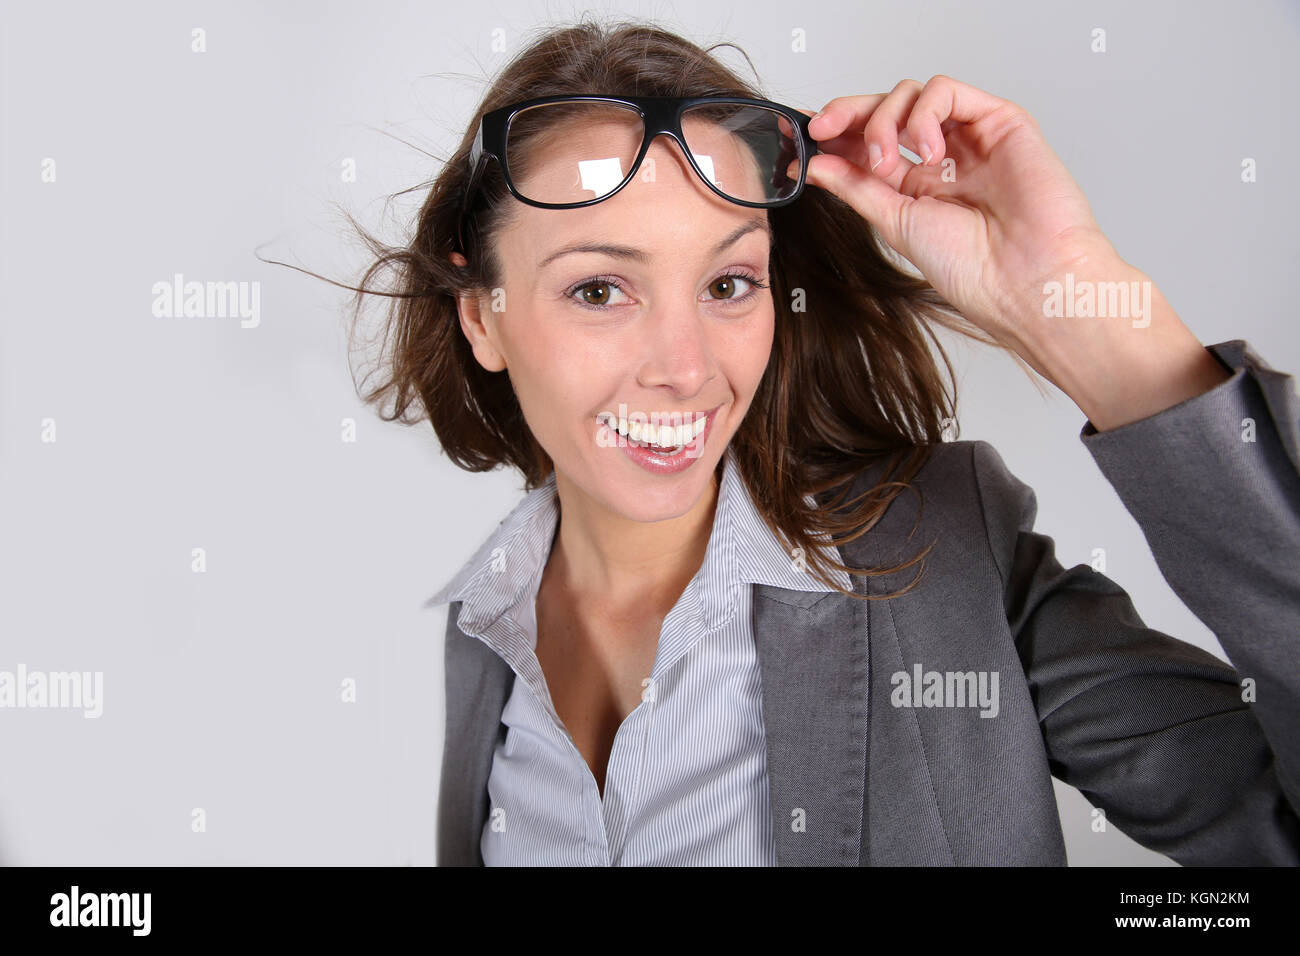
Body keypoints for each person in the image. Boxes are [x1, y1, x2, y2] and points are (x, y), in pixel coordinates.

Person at [286, 18, 1300, 865]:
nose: (684, 366)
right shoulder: (484, 628)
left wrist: (1078, 306)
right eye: (600, 288)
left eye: (728, 284)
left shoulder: (943, 561)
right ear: (482, 316)